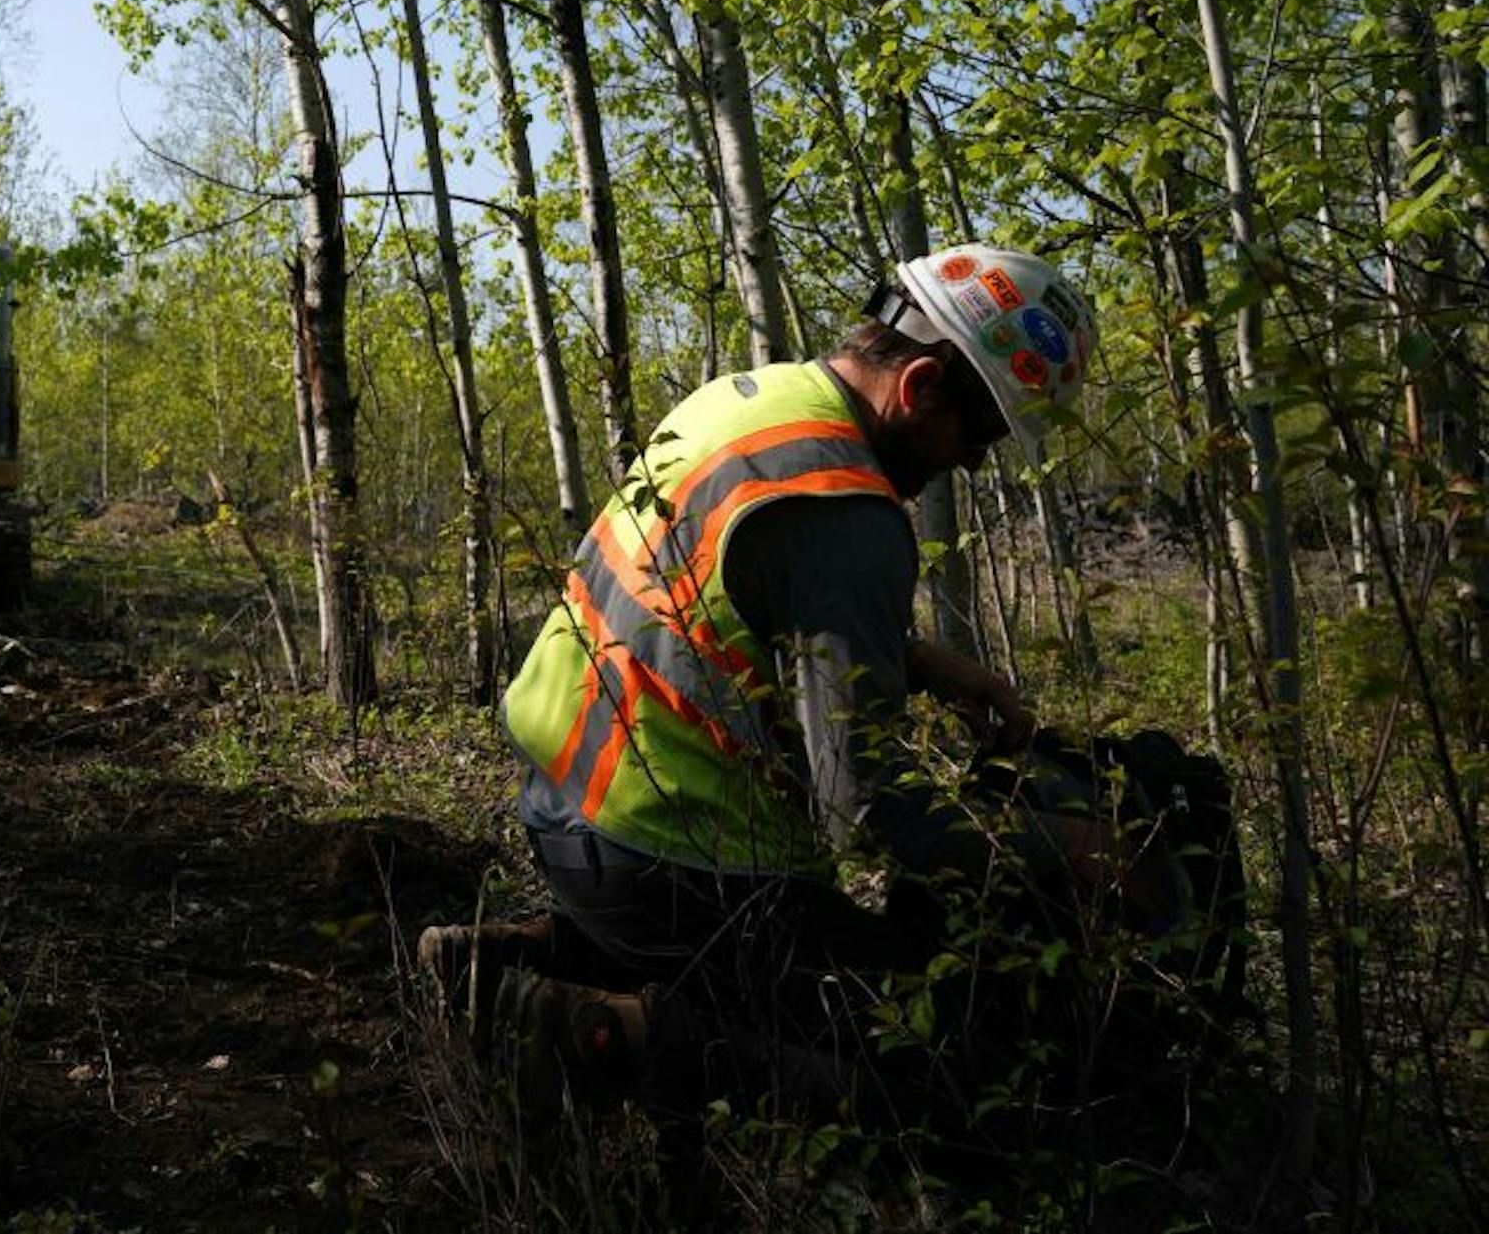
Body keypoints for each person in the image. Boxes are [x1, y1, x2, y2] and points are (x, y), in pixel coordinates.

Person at [424, 243, 1103, 1126]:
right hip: (666, 853)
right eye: (980, 435)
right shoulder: (848, 513)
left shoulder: (754, 402)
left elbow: (739, 599)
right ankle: (587, 1029)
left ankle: (530, 950)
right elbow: (862, 811)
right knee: (931, 1064)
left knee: (835, 968)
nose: (972, 463)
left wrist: (924, 661)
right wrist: (1073, 849)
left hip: (564, 804)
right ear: (922, 386)